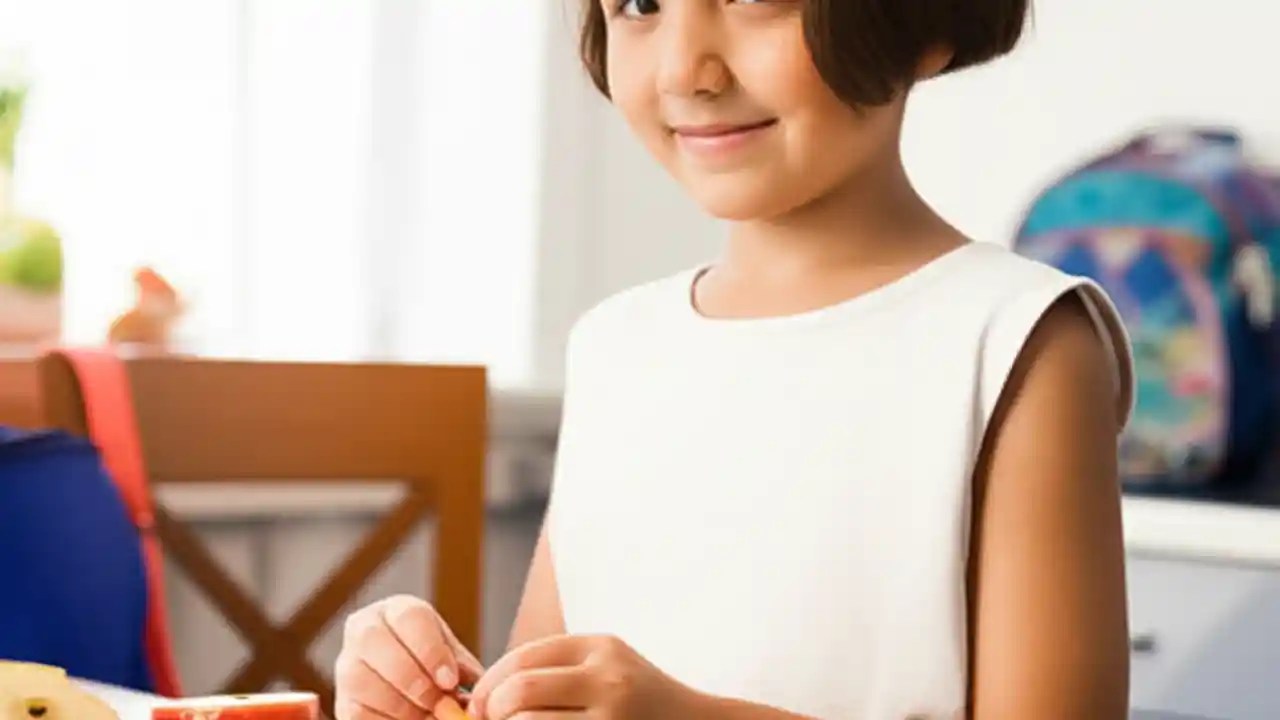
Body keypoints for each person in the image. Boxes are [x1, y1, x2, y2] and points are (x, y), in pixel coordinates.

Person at [335, 1, 1134, 718]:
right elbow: (548, 691)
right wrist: (438, 696)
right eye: (639, 3)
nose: (686, 69)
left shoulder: (1018, 342)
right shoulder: (616, 344)